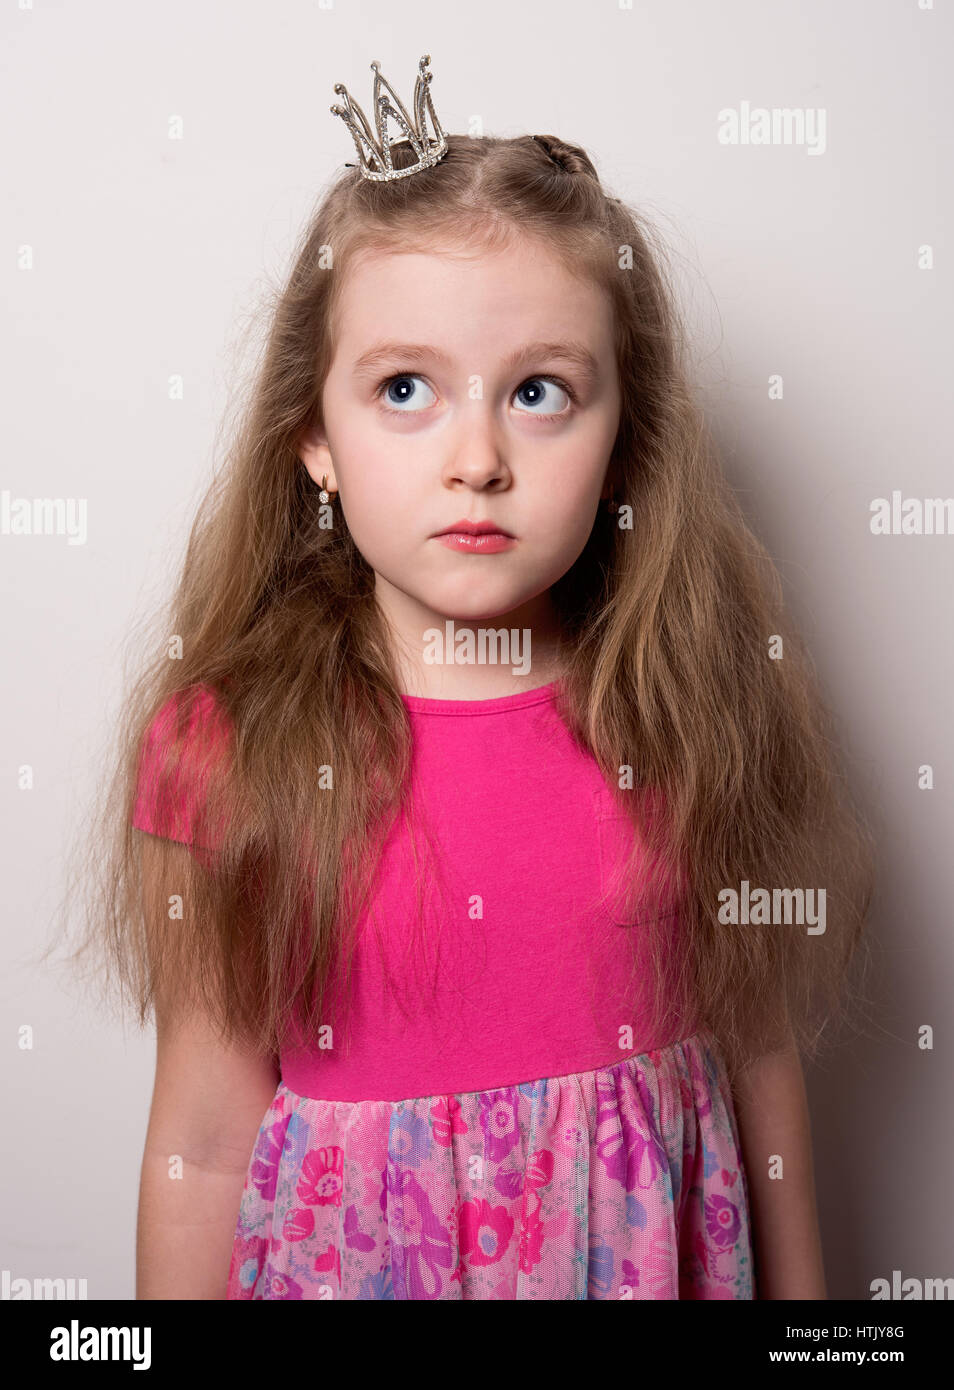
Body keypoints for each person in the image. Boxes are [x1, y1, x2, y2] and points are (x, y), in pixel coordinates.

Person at [63, 57, 874, 1300]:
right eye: (405, 390)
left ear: (622, 444)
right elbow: (204, 1142)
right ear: (316, 440)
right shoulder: (227, 748)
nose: (478, 459)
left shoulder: (690, 716)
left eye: (540, 393)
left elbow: (764, 1088)